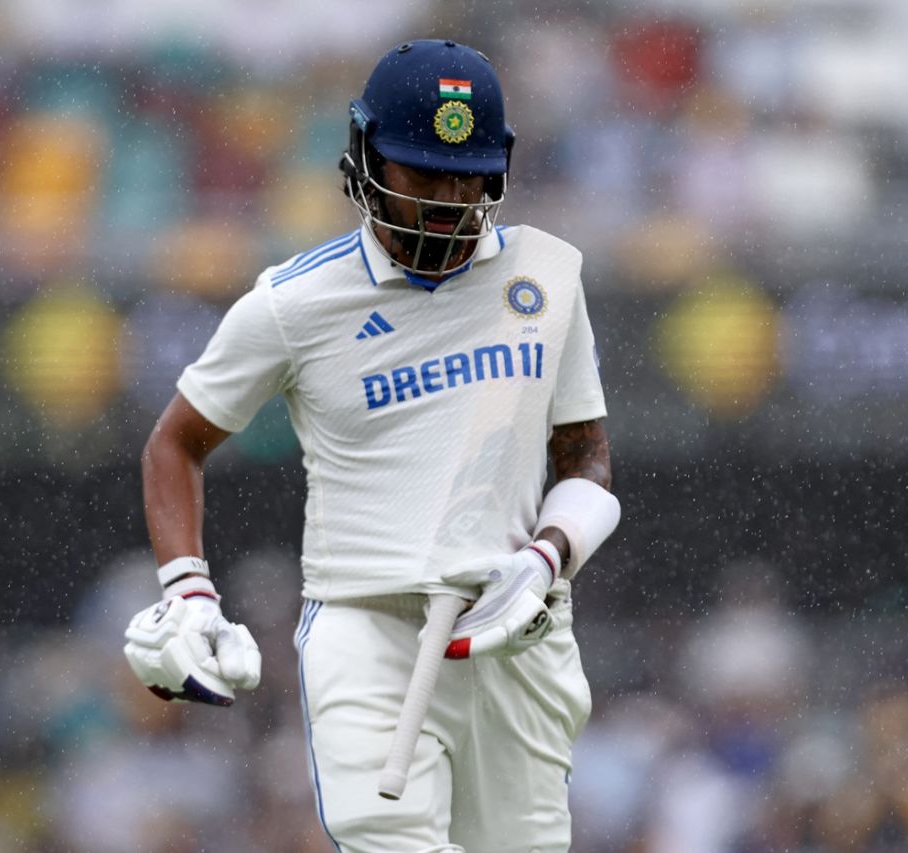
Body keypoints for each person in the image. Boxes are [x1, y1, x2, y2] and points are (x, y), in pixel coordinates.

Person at [122, 39, 620, 852]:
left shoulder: (548, 277)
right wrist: (188, 591)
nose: (450, 201)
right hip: (368, 625)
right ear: (363, 159)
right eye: (424, 174)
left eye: (469, 177)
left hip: (517, 632)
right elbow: (175, 443)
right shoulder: (294, 304)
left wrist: (546, 557)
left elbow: (588, 463)